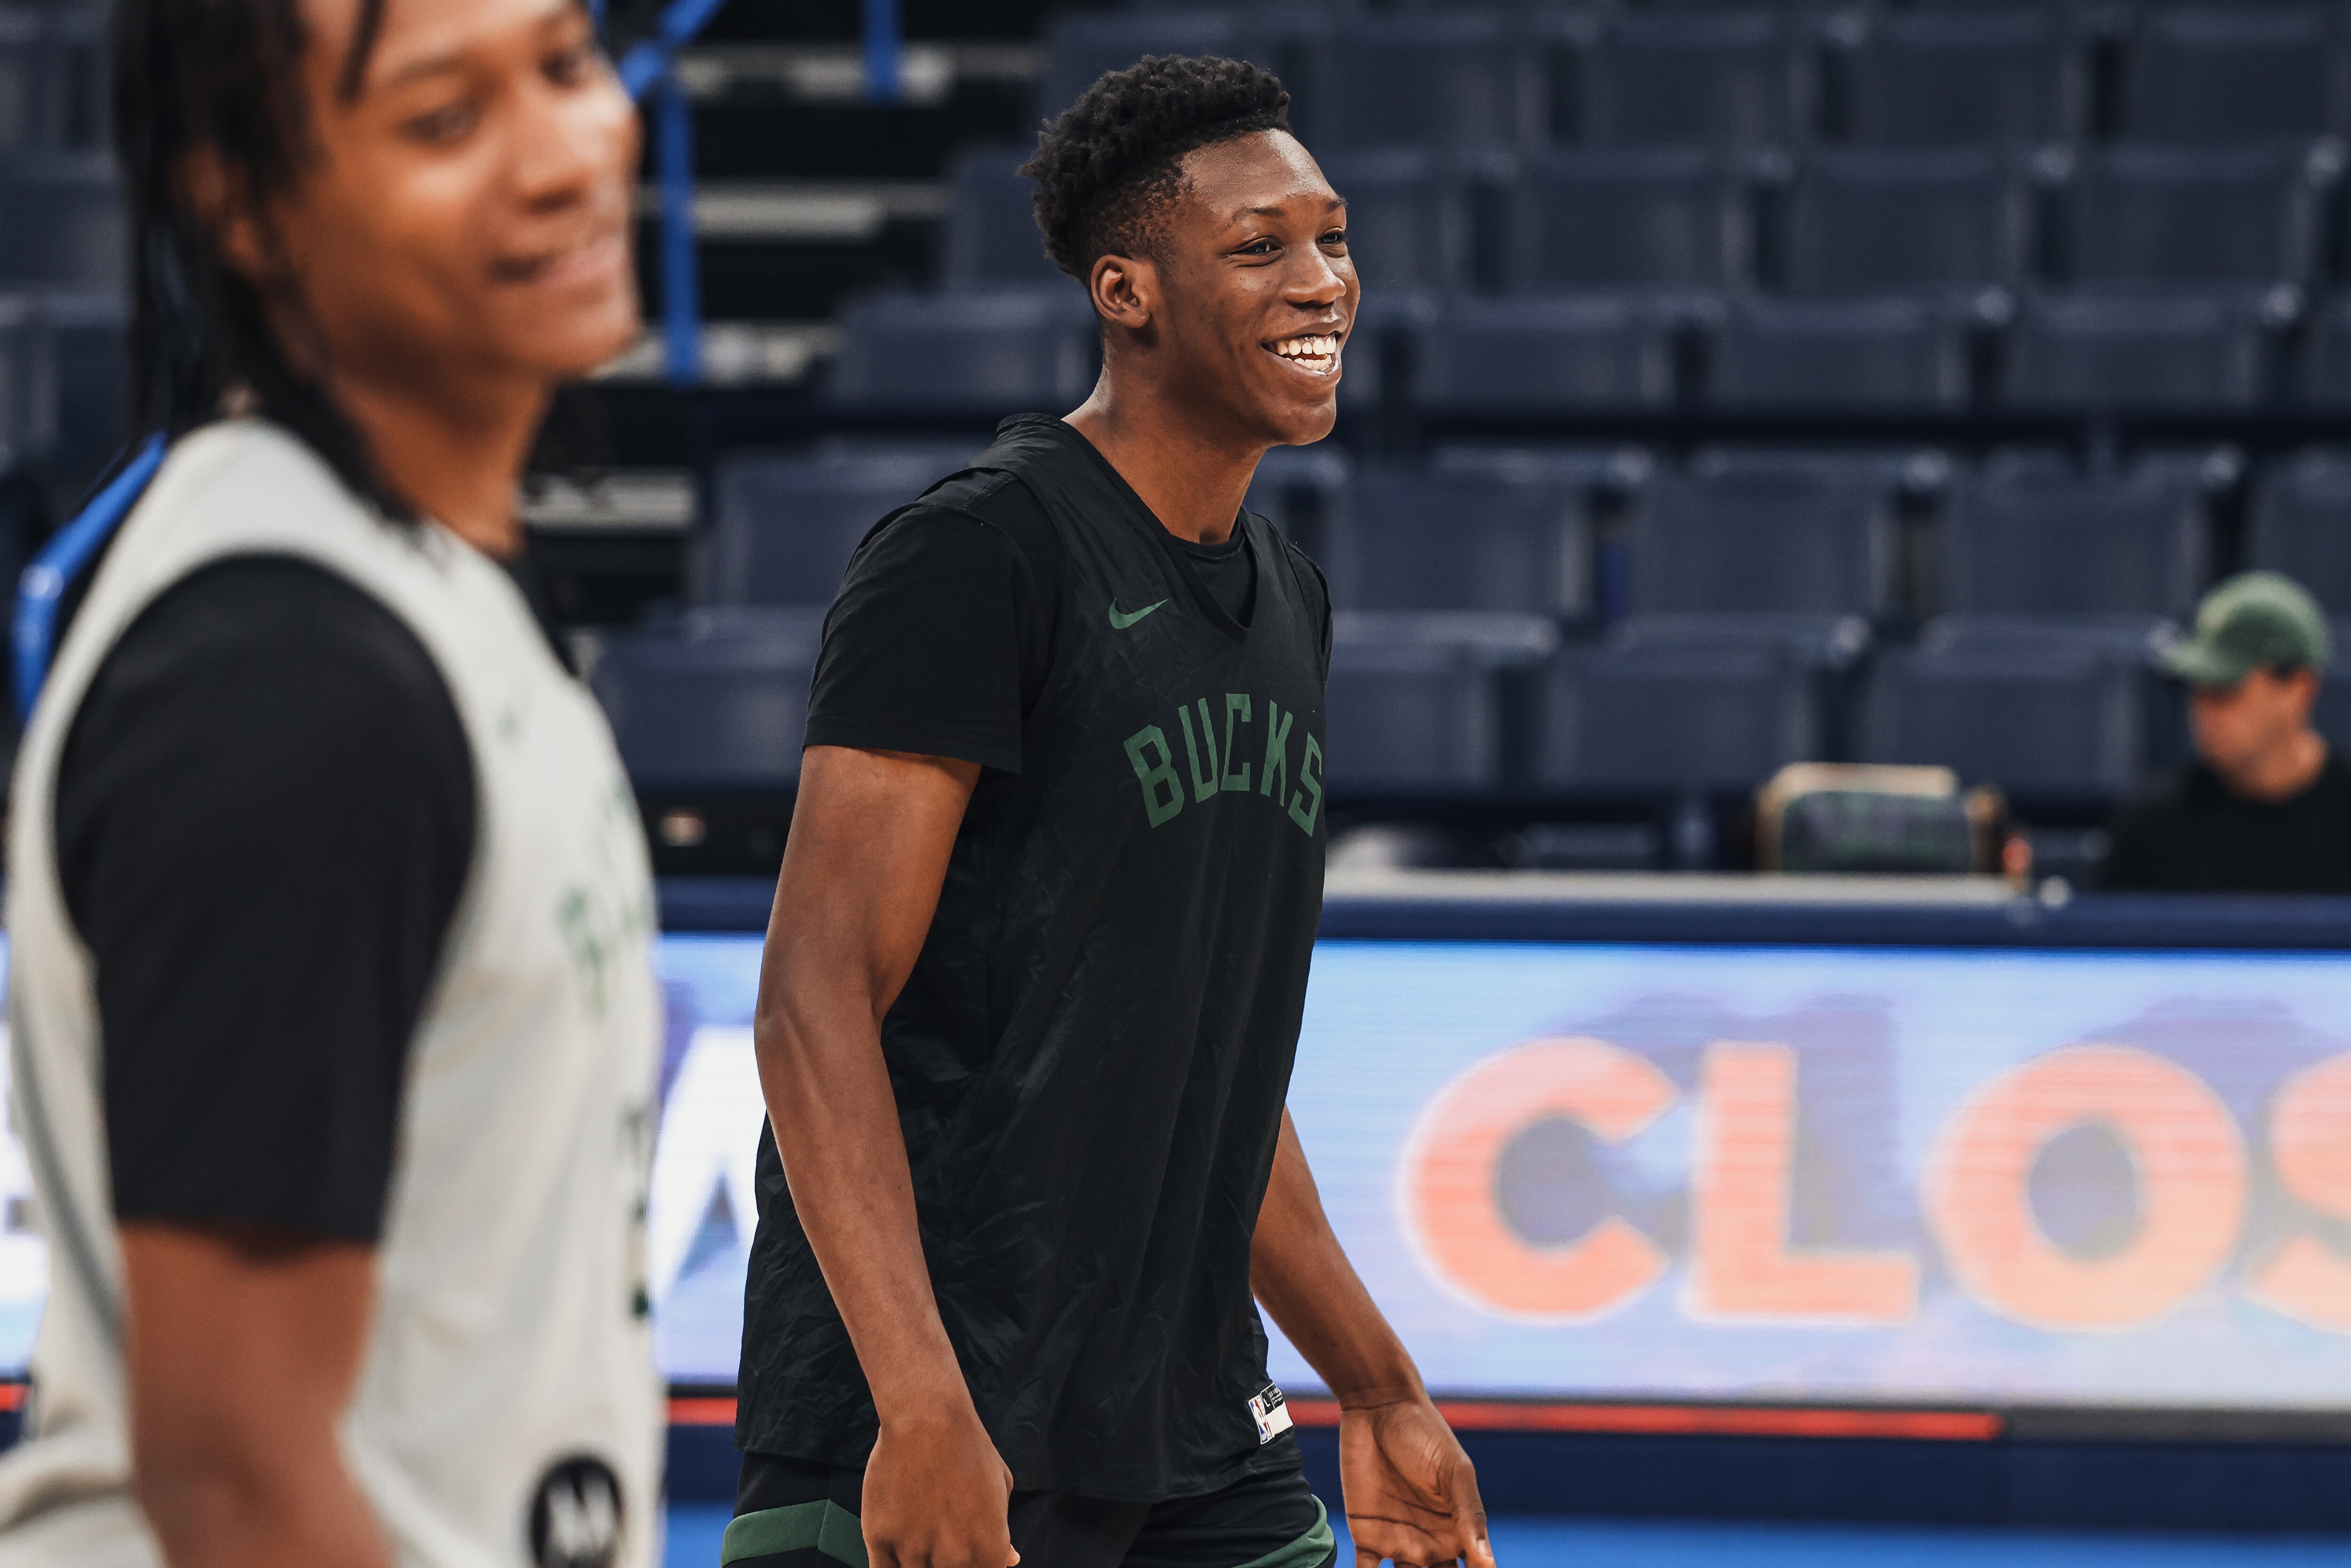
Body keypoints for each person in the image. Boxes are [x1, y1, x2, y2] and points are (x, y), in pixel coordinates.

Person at [734, 54, 1489, 1568]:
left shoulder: (1286, 601)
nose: (1320, 282)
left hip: (1194, 1431)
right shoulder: (975, 556)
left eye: (1331, 237)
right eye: (1259, 246)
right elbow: (816, 994)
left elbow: (1208, 1053)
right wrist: (920, 1404)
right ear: (1126, 292)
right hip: (929, 1422)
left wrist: (1378, 1379)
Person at [0, 1, 662, 1564]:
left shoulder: (412, 582)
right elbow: (236, 1475)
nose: (567, 155)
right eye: (445, 120)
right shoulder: (287, 681)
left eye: (566, 65)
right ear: (239, 193)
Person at [2104, 571, 2351, 892]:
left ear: (2298, 690)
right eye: (2197, 690)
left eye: (2224, 690)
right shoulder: (2152, 826)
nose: (2203, 711)